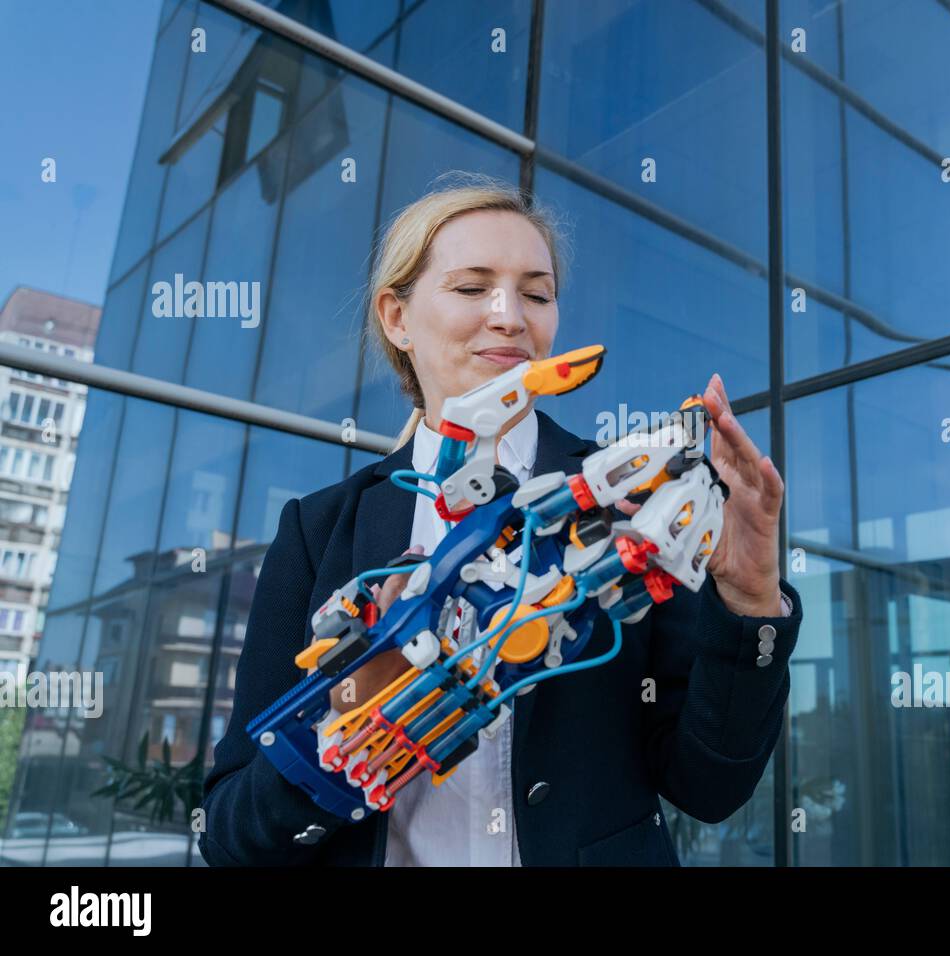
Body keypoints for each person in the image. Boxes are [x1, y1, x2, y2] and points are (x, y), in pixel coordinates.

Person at [199, 173, 803, 866]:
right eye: (470, 287)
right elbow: (231, 837)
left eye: (537, 294)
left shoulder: (632, 500)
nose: (510, 316)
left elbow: (711, 786)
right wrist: (349, 719)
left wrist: (751, 596)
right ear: (396, 318)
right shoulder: (317, 531)